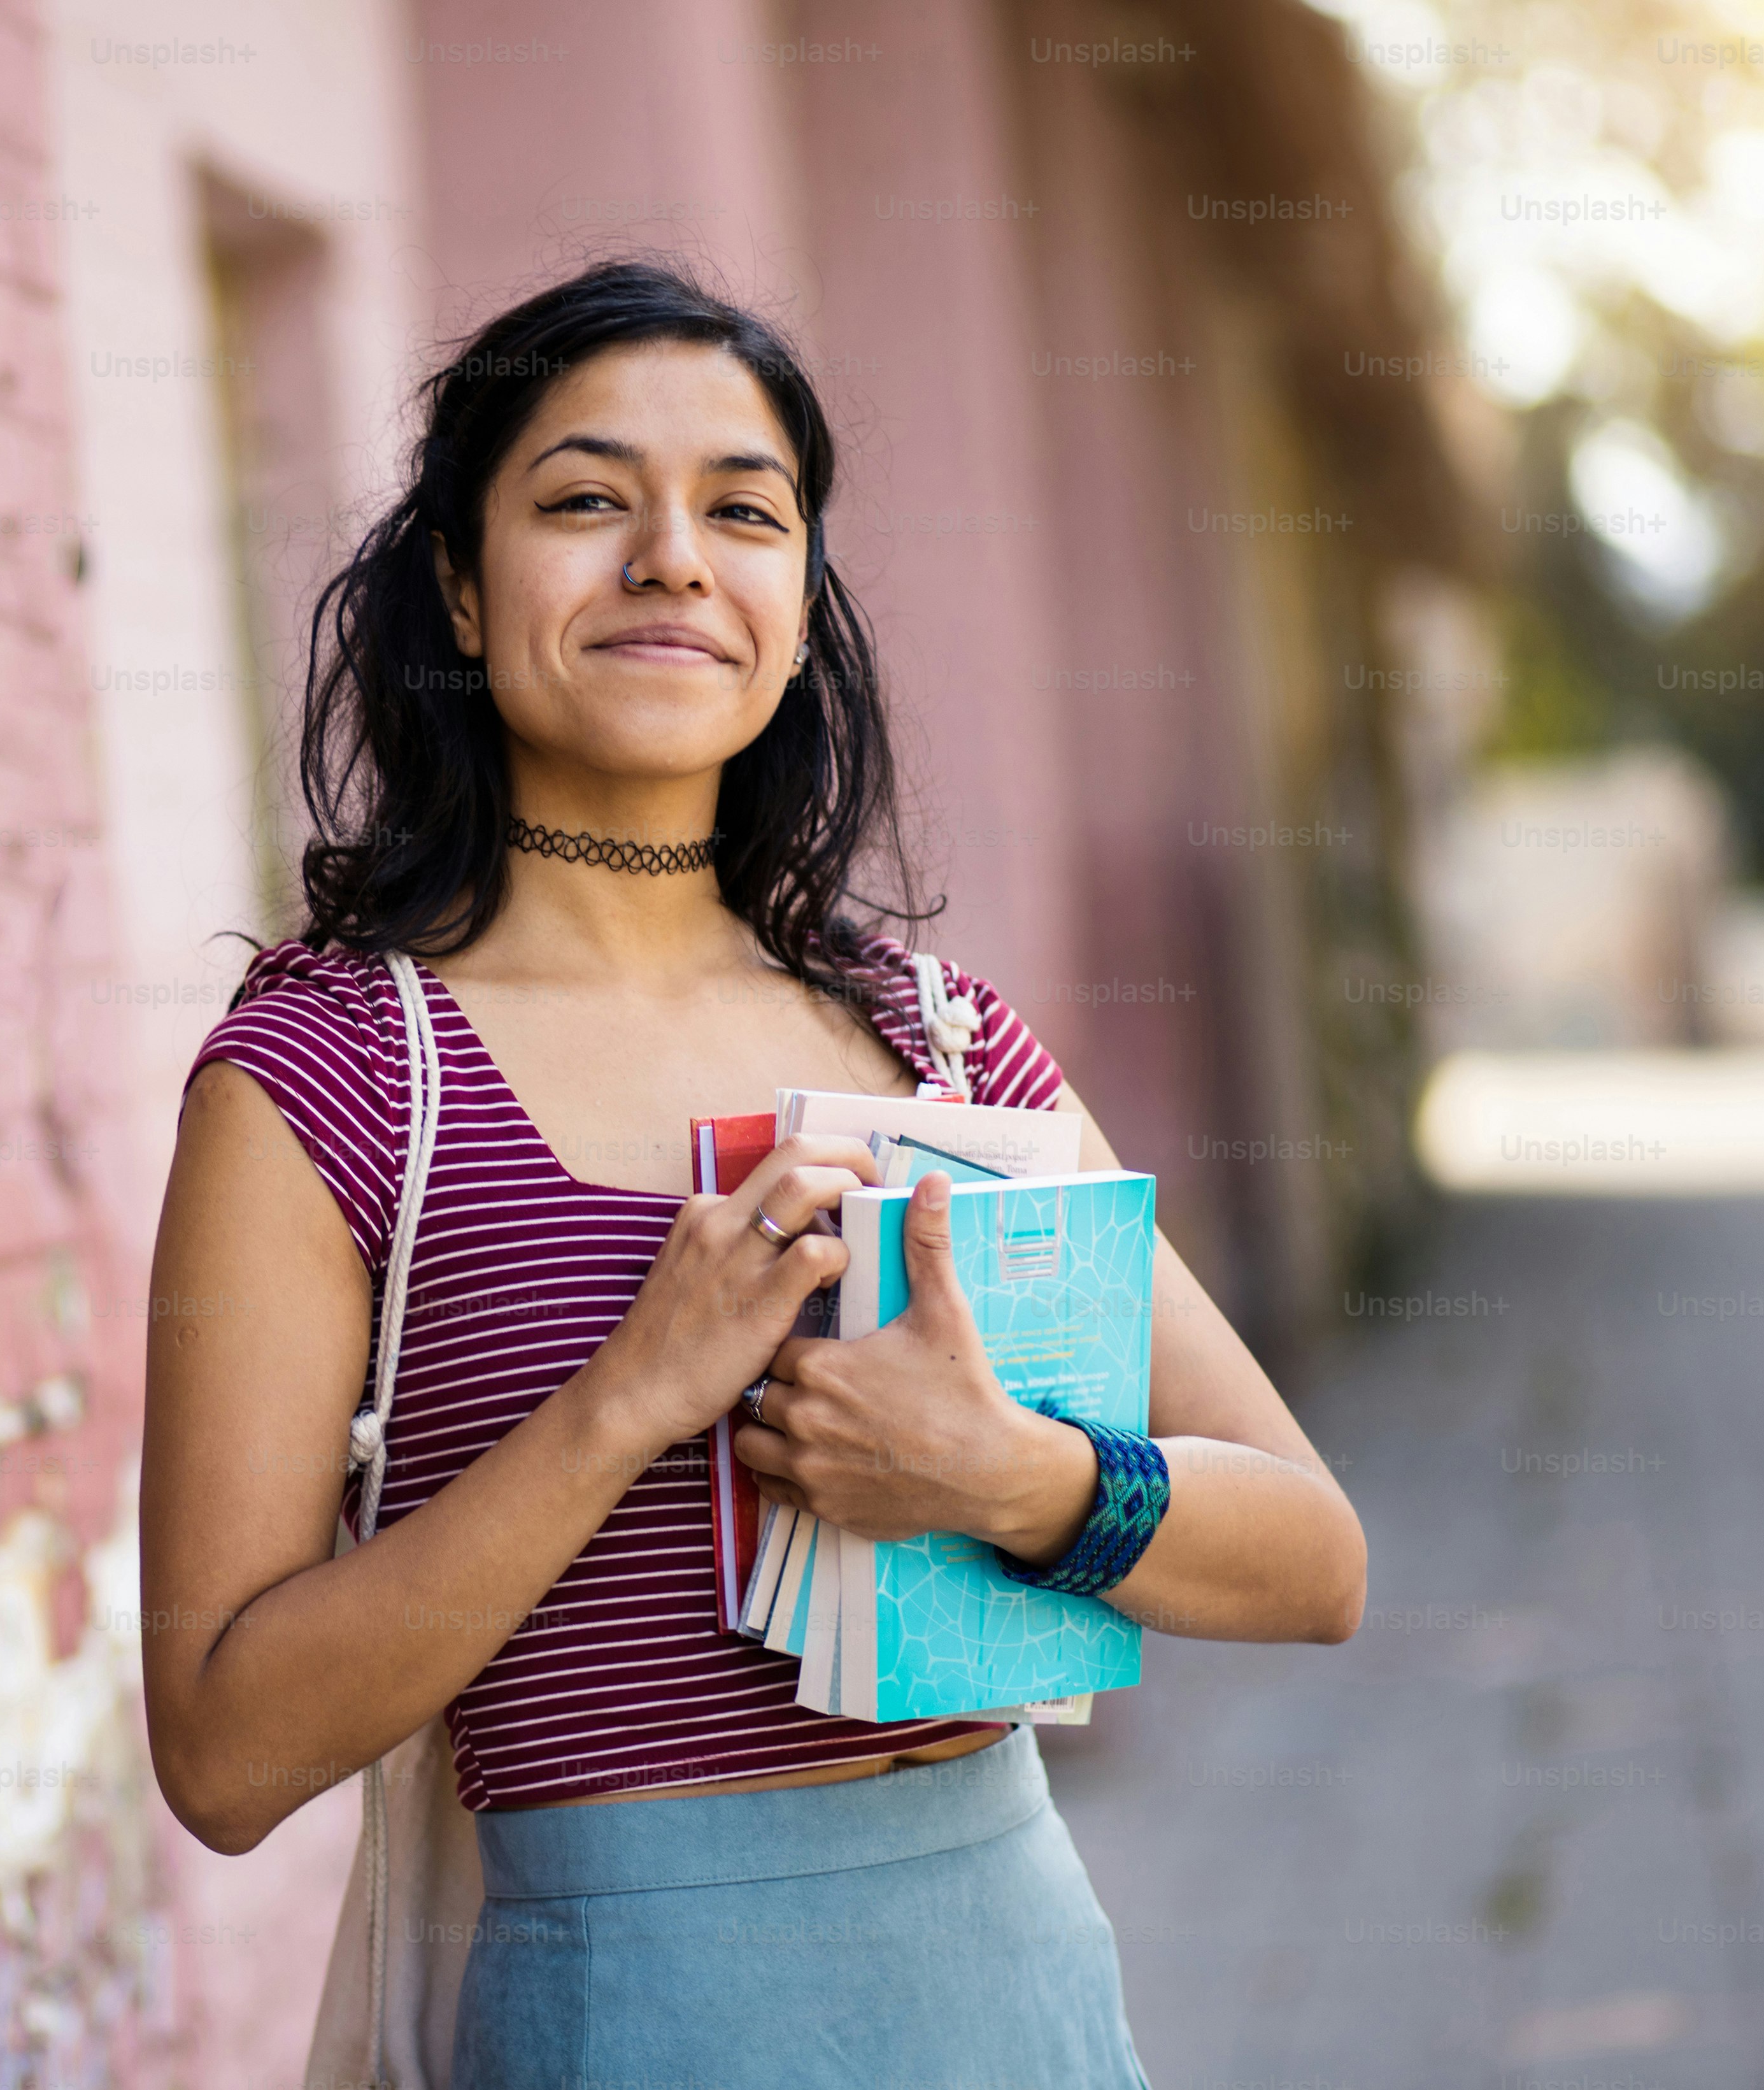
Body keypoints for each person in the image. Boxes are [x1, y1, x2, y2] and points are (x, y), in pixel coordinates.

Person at [140, 259, 1367, 2087]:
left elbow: (1311, 1554)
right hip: (625, 2014)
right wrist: (628, 1395)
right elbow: (224, 1751)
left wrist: (1012, 1472)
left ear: (796, 605)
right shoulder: (333, 1077)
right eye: (581, 500)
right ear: (464, 595)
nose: (670, 557)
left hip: (1010, 1988)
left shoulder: (940, 1045)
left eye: (742, 508)